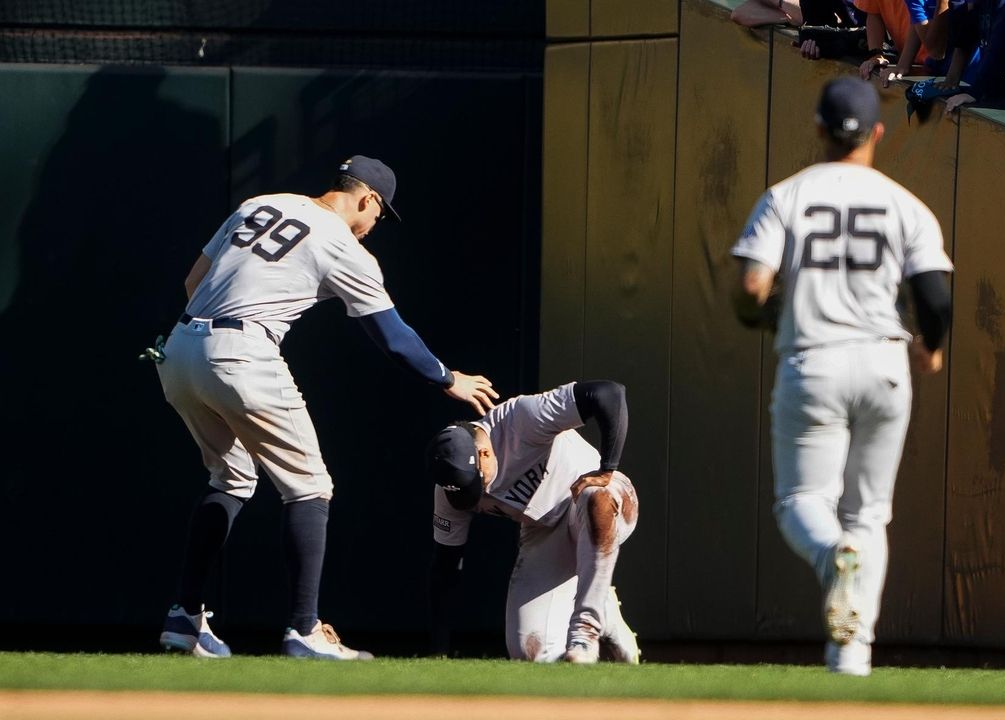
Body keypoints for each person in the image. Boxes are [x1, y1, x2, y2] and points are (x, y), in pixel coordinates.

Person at [152, 155, 498, 659]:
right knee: (310, 486)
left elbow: (192, 283)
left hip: (178, 349)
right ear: (367, 199)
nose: (373, 227)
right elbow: (394, 338)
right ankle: (304, 630)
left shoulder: (261, 203)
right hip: (242, 352)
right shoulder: (342, 244)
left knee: (229, 479)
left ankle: (184, 618)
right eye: (378, 216)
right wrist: (449, 380)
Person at [730, 77, 953, 676]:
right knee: (870, 515)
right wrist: (931, 346)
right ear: (878, 132)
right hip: (884, 362)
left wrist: (762, 316)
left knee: (802, 502)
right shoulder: (905, 204)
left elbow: (751, 287)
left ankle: (833, 556)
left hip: (814, 357)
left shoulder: (787, 195)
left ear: (819, 129)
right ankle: (850, 658)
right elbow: (934, 295)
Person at [426, 380, 641, 664]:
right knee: (530, 653)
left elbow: (609, 393)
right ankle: (604, 608)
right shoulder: (449, 490)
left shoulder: (521, 418)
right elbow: (447, 565)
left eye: (474, 485)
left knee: (596, 497)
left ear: (485, 454)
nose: (474, 496)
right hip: (544, 531)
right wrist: (438, 650)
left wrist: (607, 469)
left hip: (596, 503)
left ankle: (586, 632)